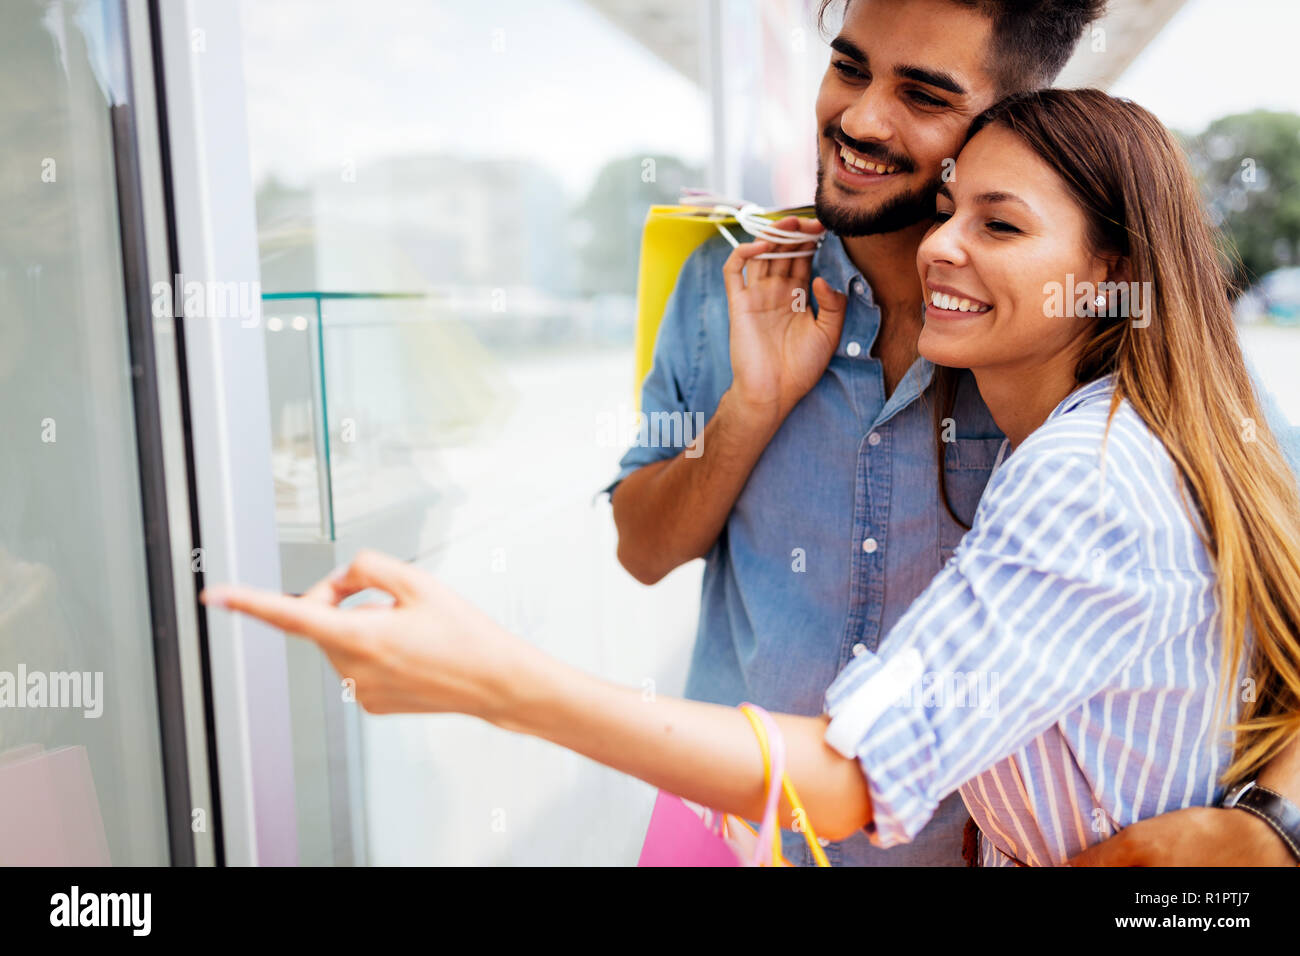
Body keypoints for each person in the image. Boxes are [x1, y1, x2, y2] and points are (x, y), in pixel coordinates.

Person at [204, 87, 1300, 866]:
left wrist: (495, 680)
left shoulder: (1088, 470)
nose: (940, 245)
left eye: (999, 224)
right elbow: (642, 546)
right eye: (952, 205)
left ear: (1111, 272)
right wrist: (754, 403)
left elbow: (849, 771)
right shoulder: (1105, 428)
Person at [604, 0, 1300, 864]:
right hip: (731, 833)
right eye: (850, 67)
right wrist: (752, 407)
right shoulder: (729, 278)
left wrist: (1270, 822)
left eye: (924, 95)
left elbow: (1276, 560)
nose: (858, 119)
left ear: (1005, 119)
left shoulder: (1090, 358)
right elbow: (641, 549)